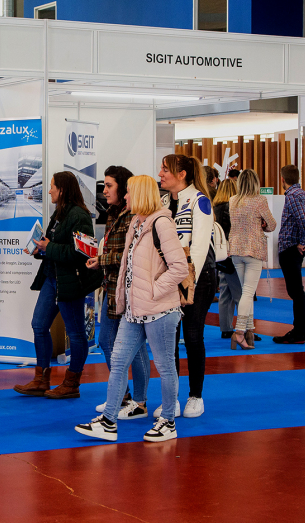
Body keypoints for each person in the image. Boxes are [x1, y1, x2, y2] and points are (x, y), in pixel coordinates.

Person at [75, 175, 188, 443]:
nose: (124, 197)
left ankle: (168, 421)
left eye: (128, 192)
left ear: (139, 194)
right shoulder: (136, 223)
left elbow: (180, 268)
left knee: (165, 366)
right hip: (134, 311)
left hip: (160, 310)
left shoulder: (162, 223)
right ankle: (109, 421)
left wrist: (153, 291)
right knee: (117, 362)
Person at [14, 171, 102, 399]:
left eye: (52, 186)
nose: (49, 190)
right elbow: (53, 245)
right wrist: (39, 248)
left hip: (70, 282)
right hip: (52, 280)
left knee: (76, 334)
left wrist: (48, 248)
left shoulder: (79, 215)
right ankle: (41, 379)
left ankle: (72, 383)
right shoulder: (59, 213)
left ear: (62, 189)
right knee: (38, 325)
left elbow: (83, 253)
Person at [85, 165, 150, 420]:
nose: (104, 190)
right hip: (113, 288)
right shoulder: (113, 213)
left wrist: (101, 260)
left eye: (109, 185)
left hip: (129, 291)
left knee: (134, 347)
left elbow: (128, 255)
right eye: (103, 185)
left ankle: (139, 401)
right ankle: (122, 396)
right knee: (111, 342)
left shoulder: (135, 216)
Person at [157, 154, 216, 419]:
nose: (160, 173)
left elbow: (201, 248)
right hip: (170, 277)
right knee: (168, 339)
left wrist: (186, 285)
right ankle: (172, 399)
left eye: (165, 169)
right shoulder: (163, 202)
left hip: (197, 278)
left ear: (181, 174)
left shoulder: (200, 201)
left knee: (192, 335)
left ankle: (196, 396)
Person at [228, 169, 276, 350]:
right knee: (248, 293)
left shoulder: (233, 200)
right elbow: (271, 224)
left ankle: (249, 330)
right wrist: (262, 224)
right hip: (253, 250)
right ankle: (240, 332)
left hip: (236, 249)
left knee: (244, 294)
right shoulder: (259, 200)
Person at [274, 165, 305, 344]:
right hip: (295, 248)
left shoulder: (292, 197)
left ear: (282, 179)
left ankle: (299, 332)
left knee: (295, 292)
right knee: (297, 291)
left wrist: (301, 242)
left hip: (290, 247)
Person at [212, 178, 241, 339]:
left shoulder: (214, 208)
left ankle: (225, 327)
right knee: (239, 293)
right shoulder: (233, 208)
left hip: (219, 254)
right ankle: (244, 329)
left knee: (225, 292)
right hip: (233, 253)